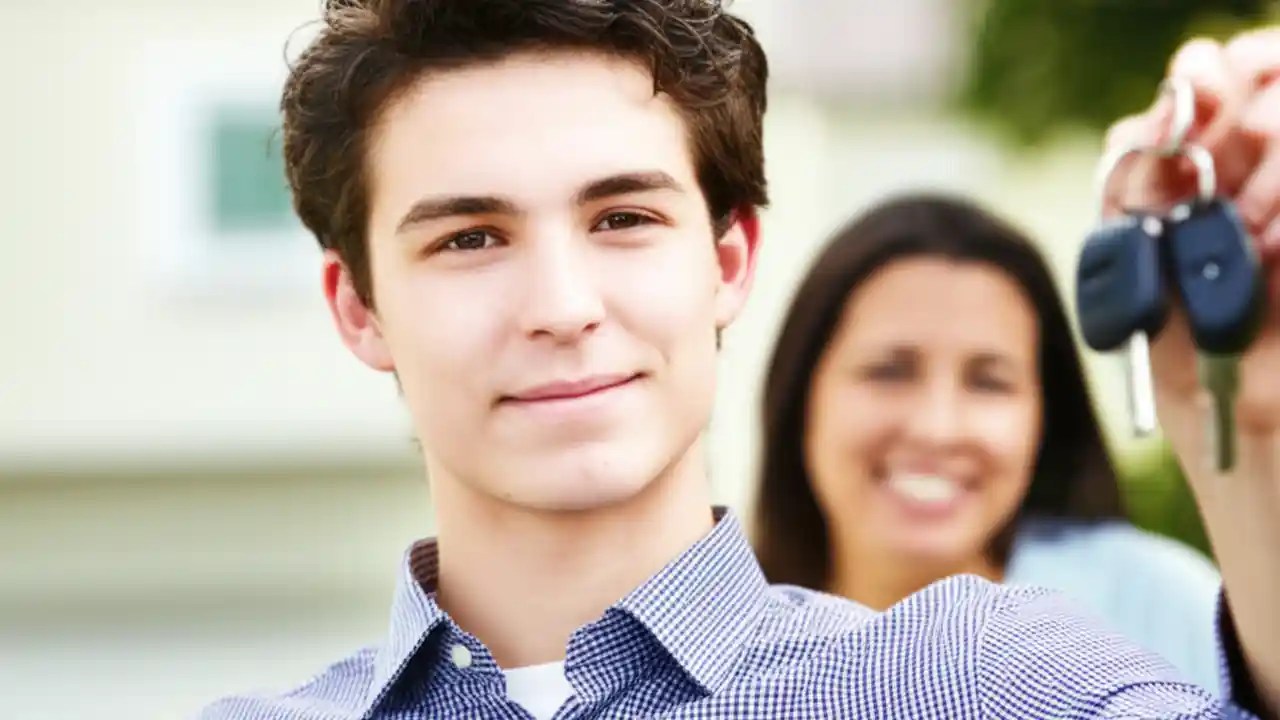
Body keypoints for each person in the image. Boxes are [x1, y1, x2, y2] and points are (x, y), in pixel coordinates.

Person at [198, 1, 1280, 717]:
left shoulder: (975, 681)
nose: (563, 308)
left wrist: (1252, 430)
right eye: (470, 239)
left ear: (728, 261)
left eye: (622, 219)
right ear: (359, 308)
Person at [751, 191, 1223, 690]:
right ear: (802, 394)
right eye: (889, 371)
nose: (937, 427)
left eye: (989, 382)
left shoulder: (1157, 610)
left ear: (1045, 414)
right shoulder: (717, 647)